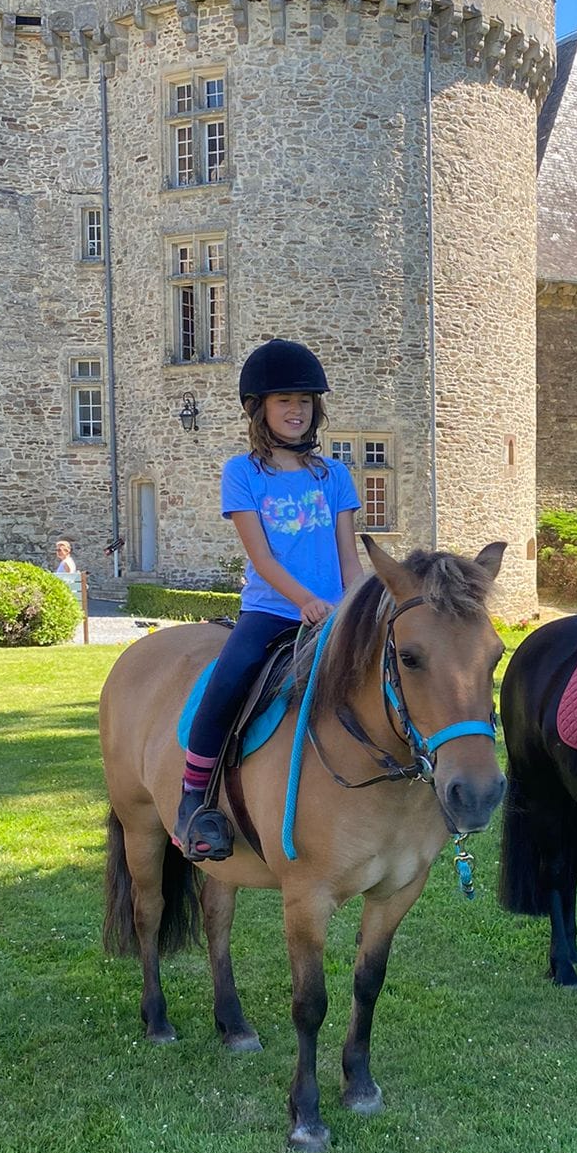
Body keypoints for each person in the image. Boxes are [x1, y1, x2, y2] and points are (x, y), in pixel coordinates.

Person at [175, 339, 363, 861]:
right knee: (229, 677)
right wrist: (305, 600)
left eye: (304, 400)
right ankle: (194, 796)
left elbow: (350, 557)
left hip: (334, 613)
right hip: (273, 610)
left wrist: (358, 605)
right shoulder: (243, 473)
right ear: (260, 410)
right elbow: (262, 559)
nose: (296, 410)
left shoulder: (335, 476)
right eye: (283, 401)